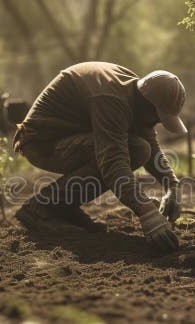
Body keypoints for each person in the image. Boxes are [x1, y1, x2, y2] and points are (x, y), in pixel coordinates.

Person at [12, 62, 184, 253]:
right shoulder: (111, 99)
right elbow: (113, 164)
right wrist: (148, 213)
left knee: (141, 149)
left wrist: (172, 185)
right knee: (135, 150)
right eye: (158, 117)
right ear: (147, 104)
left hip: (69, 137)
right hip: (42, 141)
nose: (157, 122)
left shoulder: (134, 93)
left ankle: (62, 208)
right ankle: (41, 207)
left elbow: (151, 146)